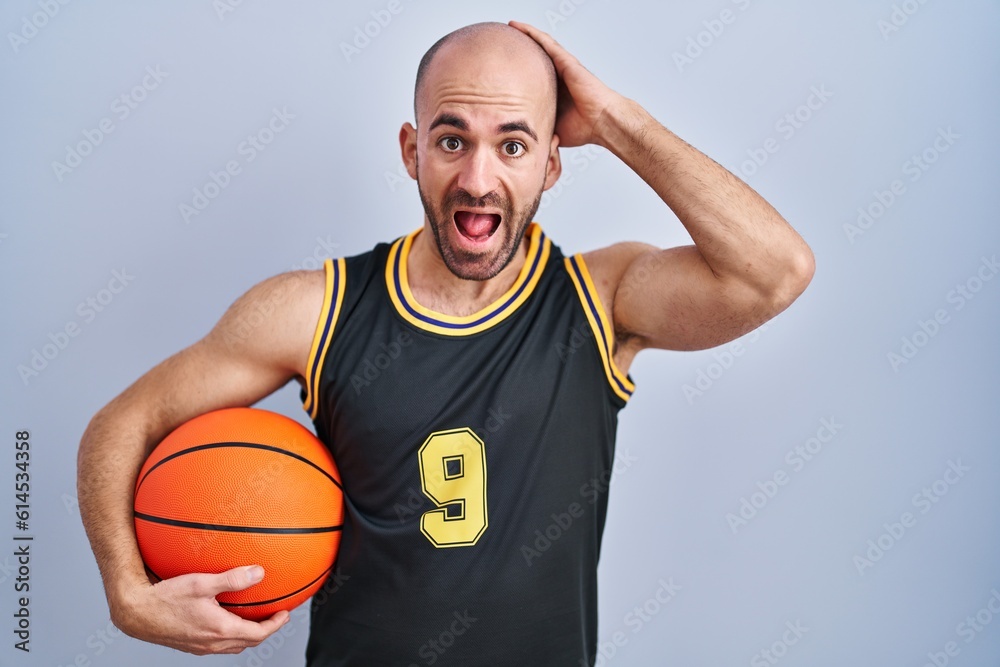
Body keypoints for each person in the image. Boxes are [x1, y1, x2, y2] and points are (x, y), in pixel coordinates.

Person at [77, 20, 814, 666]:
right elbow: (123, 423)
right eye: (452, 139)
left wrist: (619, 120)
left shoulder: (599, 299)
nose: (478, 177)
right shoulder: (316, 309)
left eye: (515, 144)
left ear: (553, 163)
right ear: (412, 150)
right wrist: (125, 590)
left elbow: (775, 272)